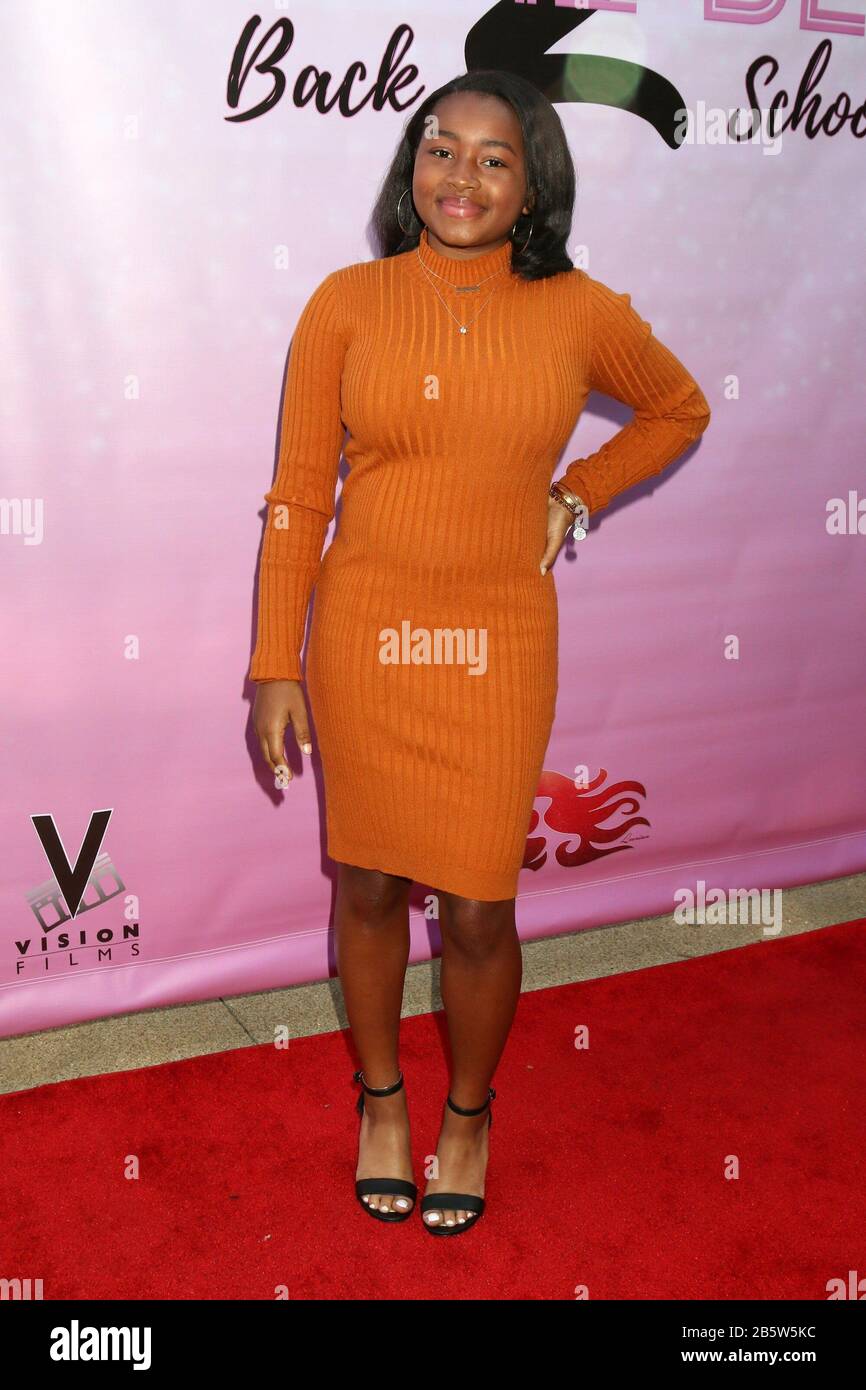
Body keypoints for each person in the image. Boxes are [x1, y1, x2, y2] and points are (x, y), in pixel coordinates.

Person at [249, 70, 711, 1236]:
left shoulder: (575, 309)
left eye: (492, 158)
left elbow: (675, 407)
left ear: (532, 183)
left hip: (495, 645)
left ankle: (466, 1111)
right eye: (439, 148)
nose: (460, 176)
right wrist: (274, 663)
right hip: (364, 638)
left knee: (475, 910)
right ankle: (382, 1100)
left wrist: (580, 493)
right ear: (411, 166)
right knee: (364, 883)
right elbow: (299, 497)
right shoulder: (345, 302)